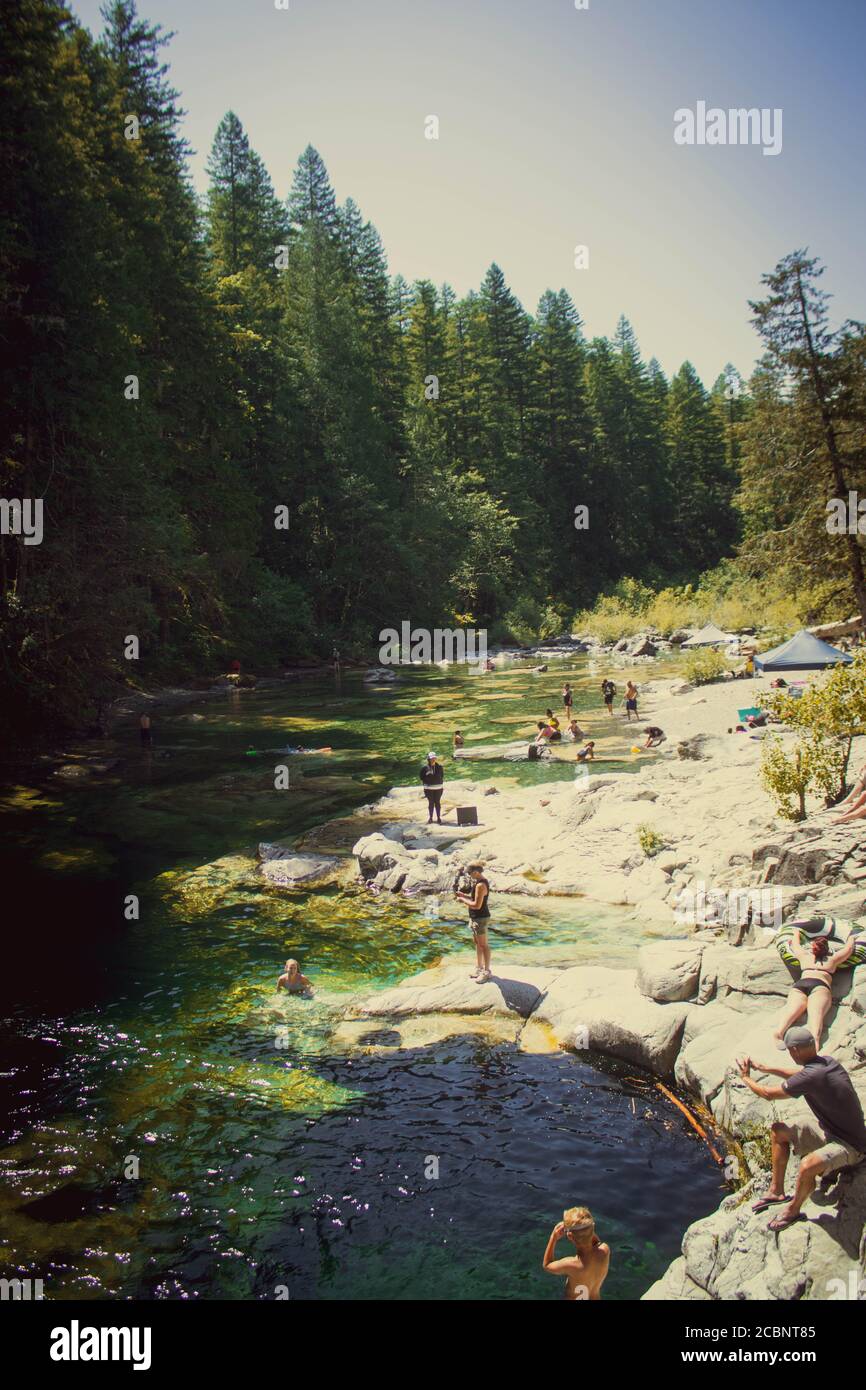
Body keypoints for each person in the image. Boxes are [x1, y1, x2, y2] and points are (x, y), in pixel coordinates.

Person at [739, 1027, 866, 1231]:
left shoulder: (812, 1075)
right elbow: (800, 1074)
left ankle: (793, 1210)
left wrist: (746, 1078)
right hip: (830, 1132)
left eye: (789, 1050)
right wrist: (765, 1068)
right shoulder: (826, 1063)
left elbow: (768, 1093)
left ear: (795, 1050)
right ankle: (776, 1191)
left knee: (807, 1166)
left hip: (852, 1147)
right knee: (779, 1131)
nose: (789, 1054)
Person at [772, 928, 854, 1049]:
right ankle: (814, 1044)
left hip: (800, 985)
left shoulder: (804, 955)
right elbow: (849, 949)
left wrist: (796, 932)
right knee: (816, 1017)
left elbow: (795, 943)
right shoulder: (833, 959)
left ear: (813, 948)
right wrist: (851, 935)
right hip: (819, 986)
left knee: (791, 1011)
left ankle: (778, 1033)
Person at [541, 1207, 610, 1300]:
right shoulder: (605, 1250)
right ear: (592, 1229)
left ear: (570, 1236)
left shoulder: (571, 1264)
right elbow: (595, 1243)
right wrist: (586, 1228)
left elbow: (547, 1265)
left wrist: (553, 1237)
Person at [455, 862, 492, 982]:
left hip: (480, 918)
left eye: (470, 873)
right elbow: (475, 899)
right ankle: (479, 967)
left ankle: (487, 972)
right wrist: (464, 896)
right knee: (477, 943)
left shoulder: (481, 885)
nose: (469, 875)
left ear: (476, 872)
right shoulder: (478, 882)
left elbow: (477, 905)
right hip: (475, 918)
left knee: (483, 945)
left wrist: (462, 900)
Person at [420, 751, 444, 824]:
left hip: (438, 788)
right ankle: (430, 818)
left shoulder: (440, 767)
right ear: (428, 759)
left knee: (437, 802)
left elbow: (442, 776)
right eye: (431, 758)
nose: (433, 760)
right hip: (428, 788)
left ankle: (438, 818)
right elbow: (421, 777)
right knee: (431, 803)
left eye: (434, 758)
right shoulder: (424, 768)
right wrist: (428, 777)